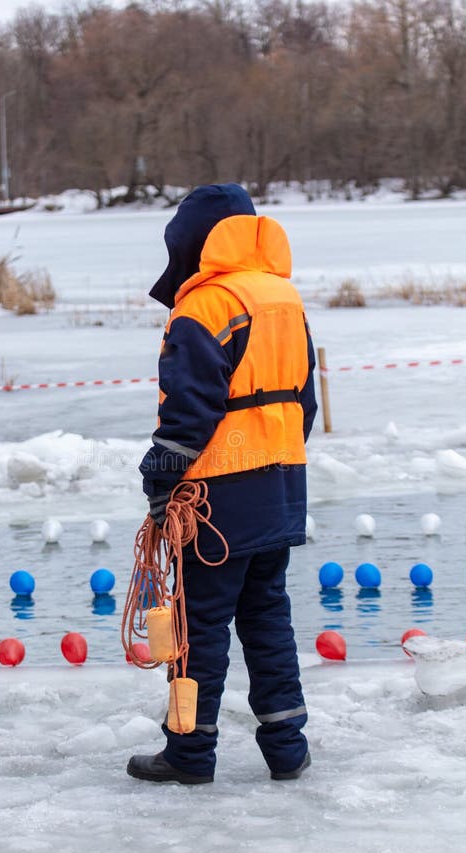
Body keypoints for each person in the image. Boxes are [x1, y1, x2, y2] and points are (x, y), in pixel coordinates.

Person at [127, 183, 317, 785]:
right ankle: (287, 748)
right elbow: (304, 403)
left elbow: (188, 409)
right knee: (267, 615)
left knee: (197, 625)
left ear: (191, 242)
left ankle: (188, 753)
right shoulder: (283, 296)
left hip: (216, 497)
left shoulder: (205, 305)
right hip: (282, 485)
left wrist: (161, 476)